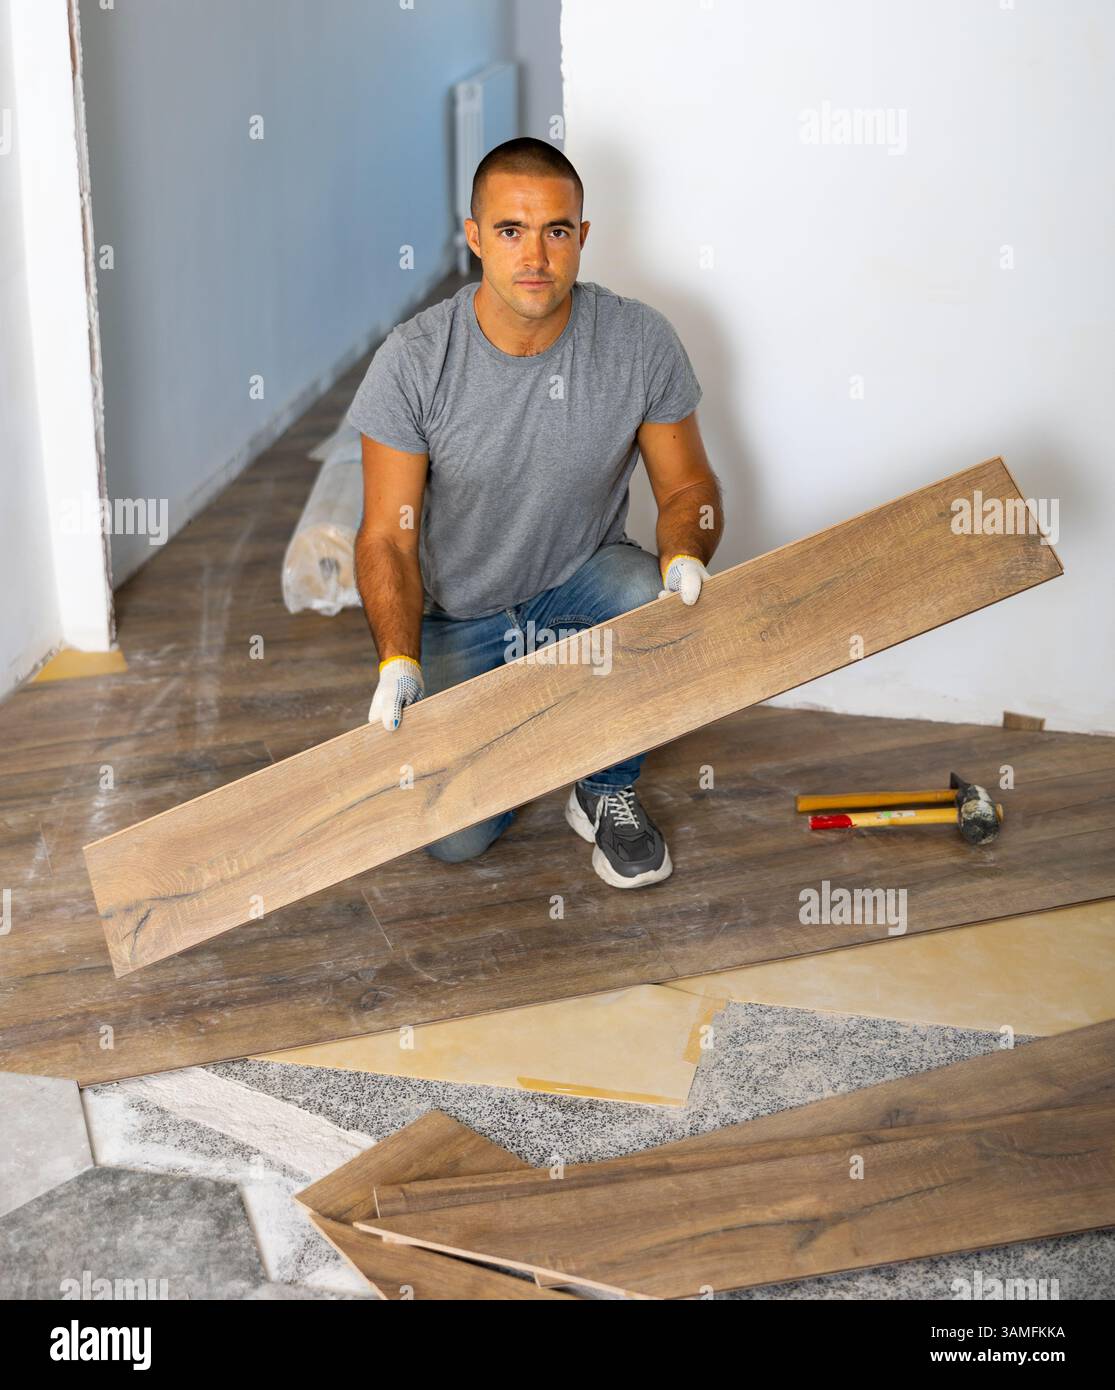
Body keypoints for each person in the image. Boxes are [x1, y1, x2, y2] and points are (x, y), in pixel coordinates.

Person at [348, 138, 722, 889]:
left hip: (579, 581)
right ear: (474, 236)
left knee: (646, 593)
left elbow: (688, 490)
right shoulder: (415, 361)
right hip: (461, 611)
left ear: (581, 238)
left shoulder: (637, 342)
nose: (536, 257)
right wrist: (398, 656)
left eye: (556, 231)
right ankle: (527, 732)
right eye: (511, 230)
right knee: (455, 841)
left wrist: (685, 556)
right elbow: (386, 536)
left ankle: (604, 784)